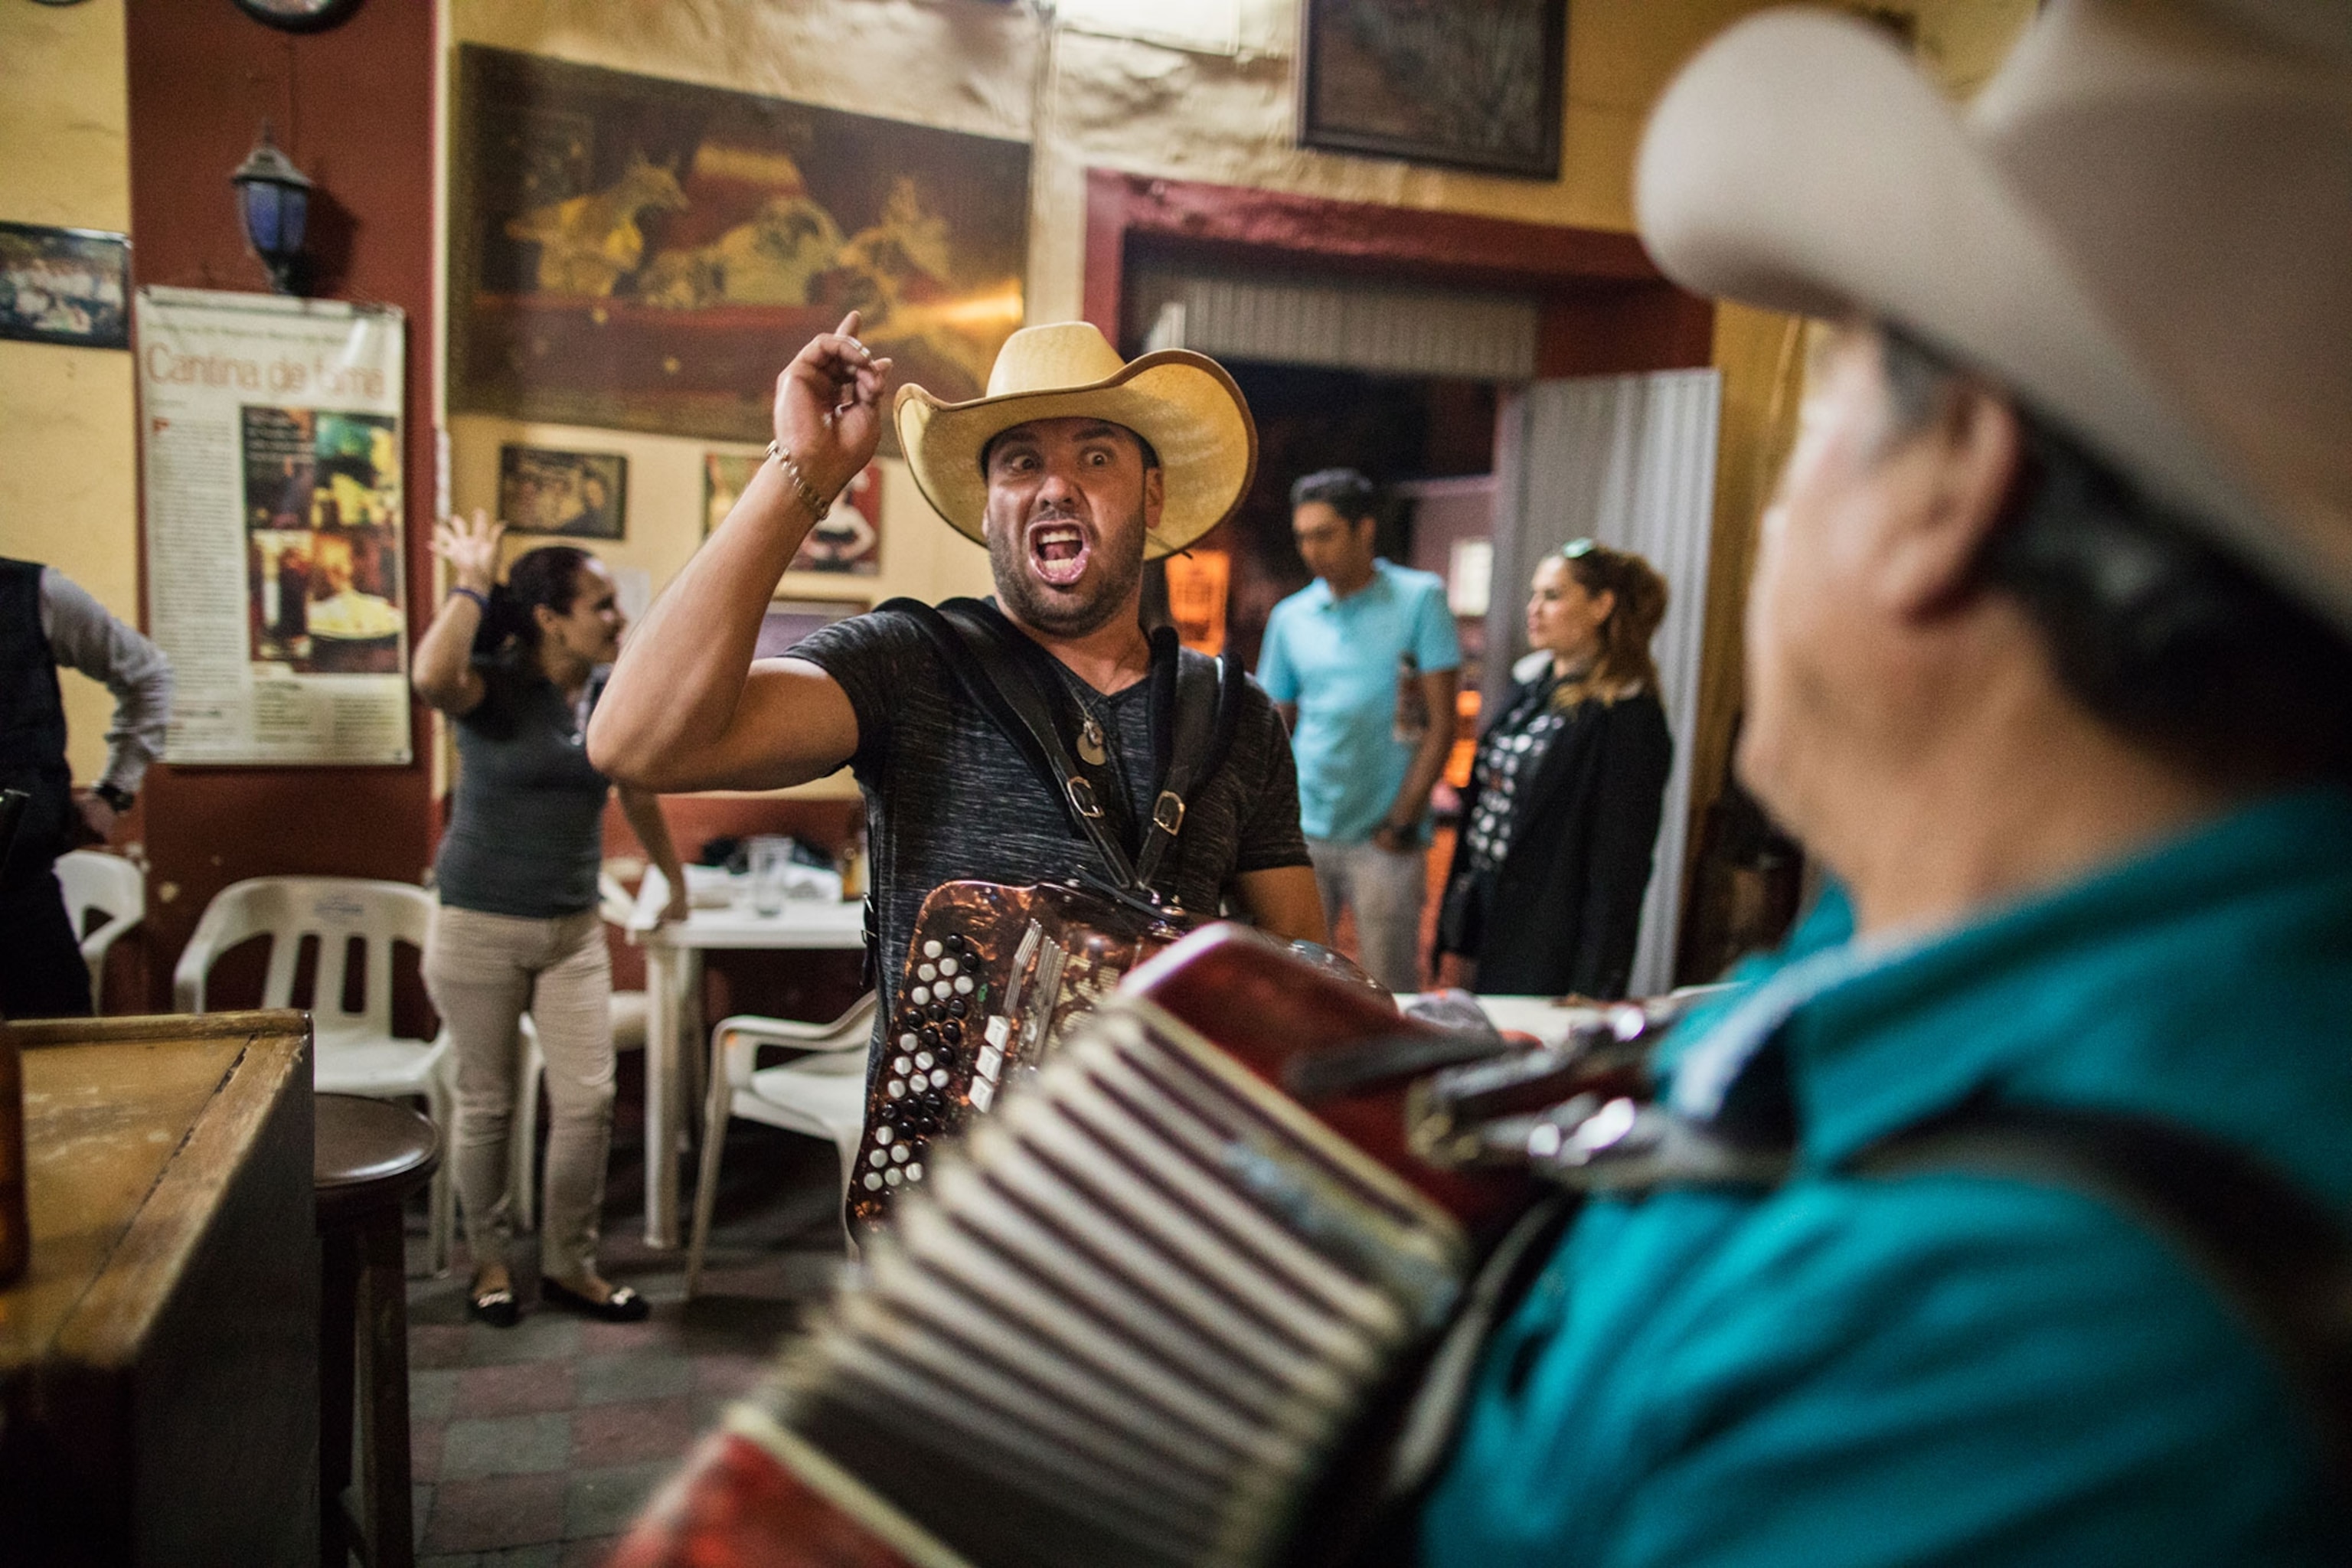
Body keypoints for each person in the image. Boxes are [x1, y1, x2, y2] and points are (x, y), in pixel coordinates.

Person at [1420, 2, 2352, 1562]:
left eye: (1816, 430)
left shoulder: (2046, 1338)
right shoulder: (1920, 944)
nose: (1772, 524)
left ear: (1951, 483)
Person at [589, 312, 1324, 1097]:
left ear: (1152, 493)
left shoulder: (1233, 713)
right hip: (943, 1168)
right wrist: (800, 471)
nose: (1056, 487)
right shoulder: (908, 664)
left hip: (1151, 1157)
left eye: (1096, 456)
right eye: (1022, 462)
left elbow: (1305, 962)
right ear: (987, 507)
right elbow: (633, 743)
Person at [413, 518, 688, 1327]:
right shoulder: (490, 686)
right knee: (488, 1105)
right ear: (550, 619)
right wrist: (472, 580)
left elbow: (637, 790)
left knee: (589, 1101)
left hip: (573, 931)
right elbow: (430, 676)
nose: (617, 617)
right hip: (478, 927)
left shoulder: (610, 692)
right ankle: (491, 1262)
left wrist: (674, 880)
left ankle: (573, 1263)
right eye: (600, 604)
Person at [1433, 538, 1671, 999]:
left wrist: (1596, 981)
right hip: (1481, 906)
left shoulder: (1626, 714)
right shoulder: (1531, 682)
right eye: (1534, 594)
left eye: (1553, 596)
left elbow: (1619, 867)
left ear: (1601, 606)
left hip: (1546, 929)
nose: (1534, 609)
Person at [1258, 469, 1459, 992]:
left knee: (1387, 985)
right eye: (1303, 537)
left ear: (1364, 529)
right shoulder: (1291, 617)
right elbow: (1272, 727)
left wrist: (1402, 819)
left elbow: (1441, 723)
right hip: (1305, 829)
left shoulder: (1419, 599)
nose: (1312, 550)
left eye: (1325, 534)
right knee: (1295, 982)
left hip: (1385, 833)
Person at [0, 558, 171, 1019]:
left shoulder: (32, 592)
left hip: (17, 890)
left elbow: (149, 675)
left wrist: (114, 793)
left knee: (59, 1049)